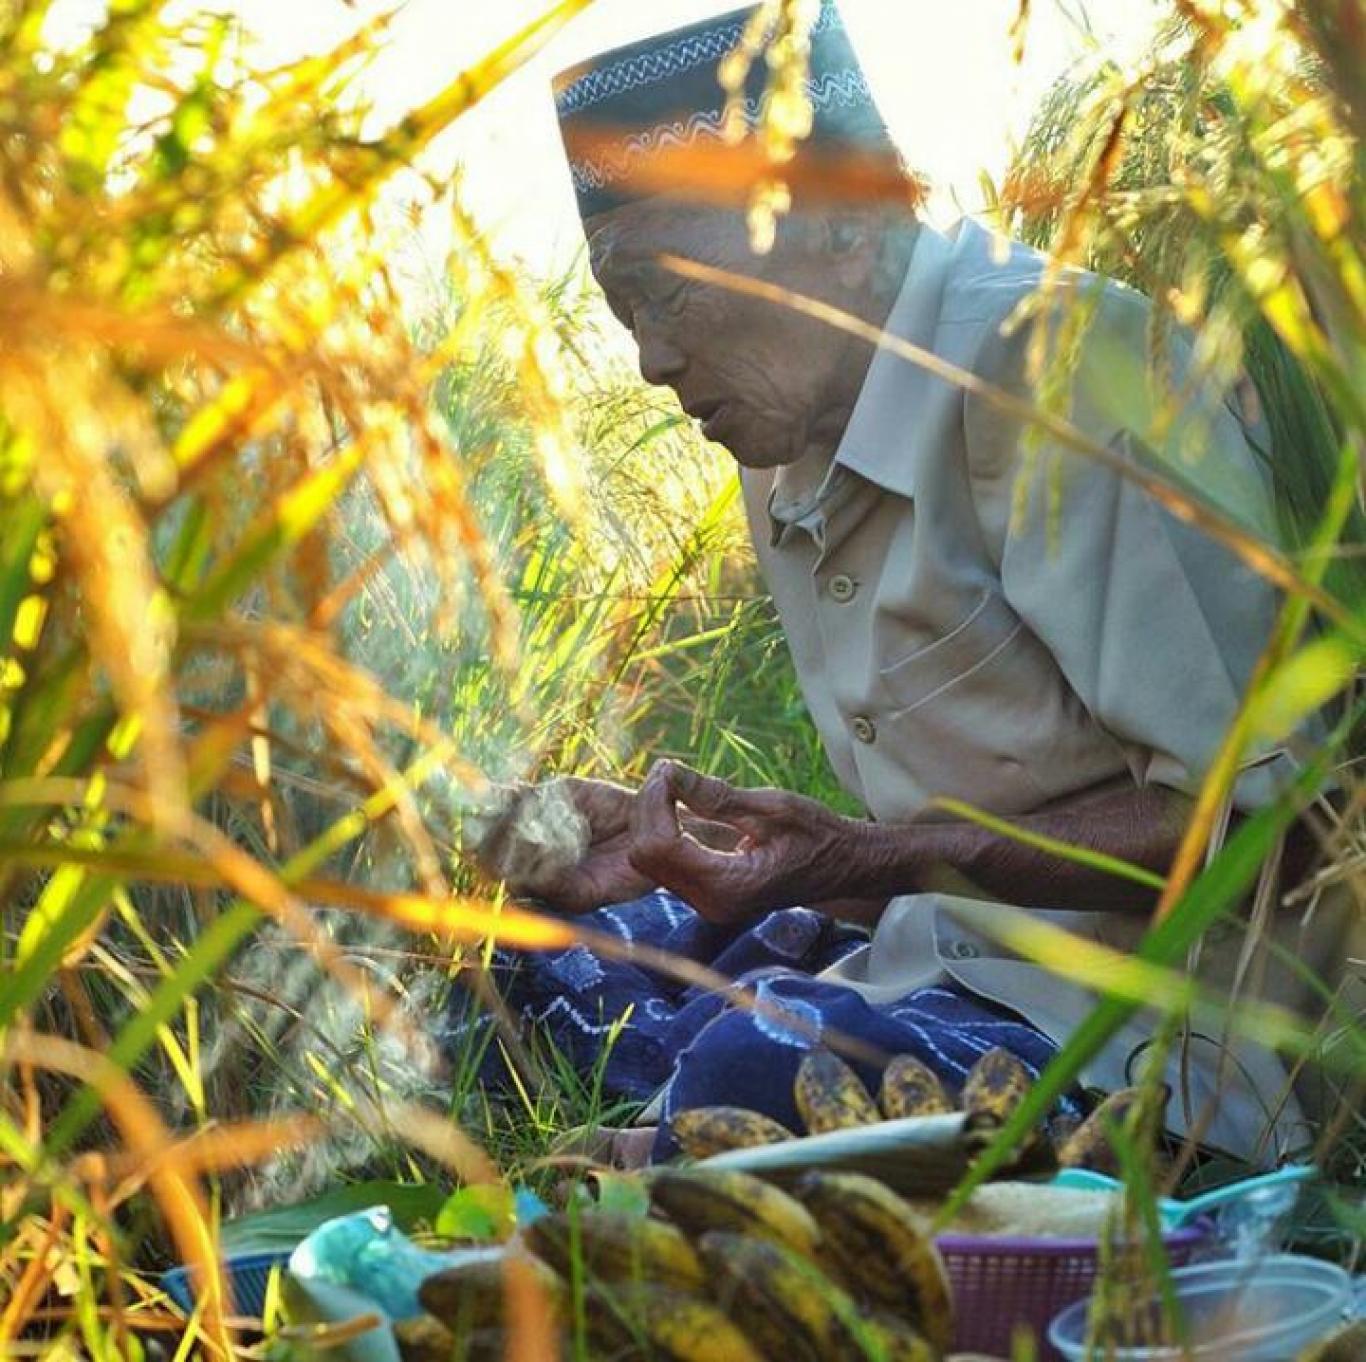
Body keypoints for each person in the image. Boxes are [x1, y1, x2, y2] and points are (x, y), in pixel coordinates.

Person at [453, 0, 1346, 1168]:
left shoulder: (1058, 370)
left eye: (669, 297)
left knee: (749, 1067)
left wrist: (860, 859)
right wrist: (699, 847)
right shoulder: (784, 445)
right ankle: (701, 1145)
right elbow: (913, 852)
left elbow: (1271, 824)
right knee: (534, 943)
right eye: (626, 313)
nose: (653, 363)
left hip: (1160, 1040)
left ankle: (690, 1144)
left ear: (841, 227)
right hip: (937, 955)